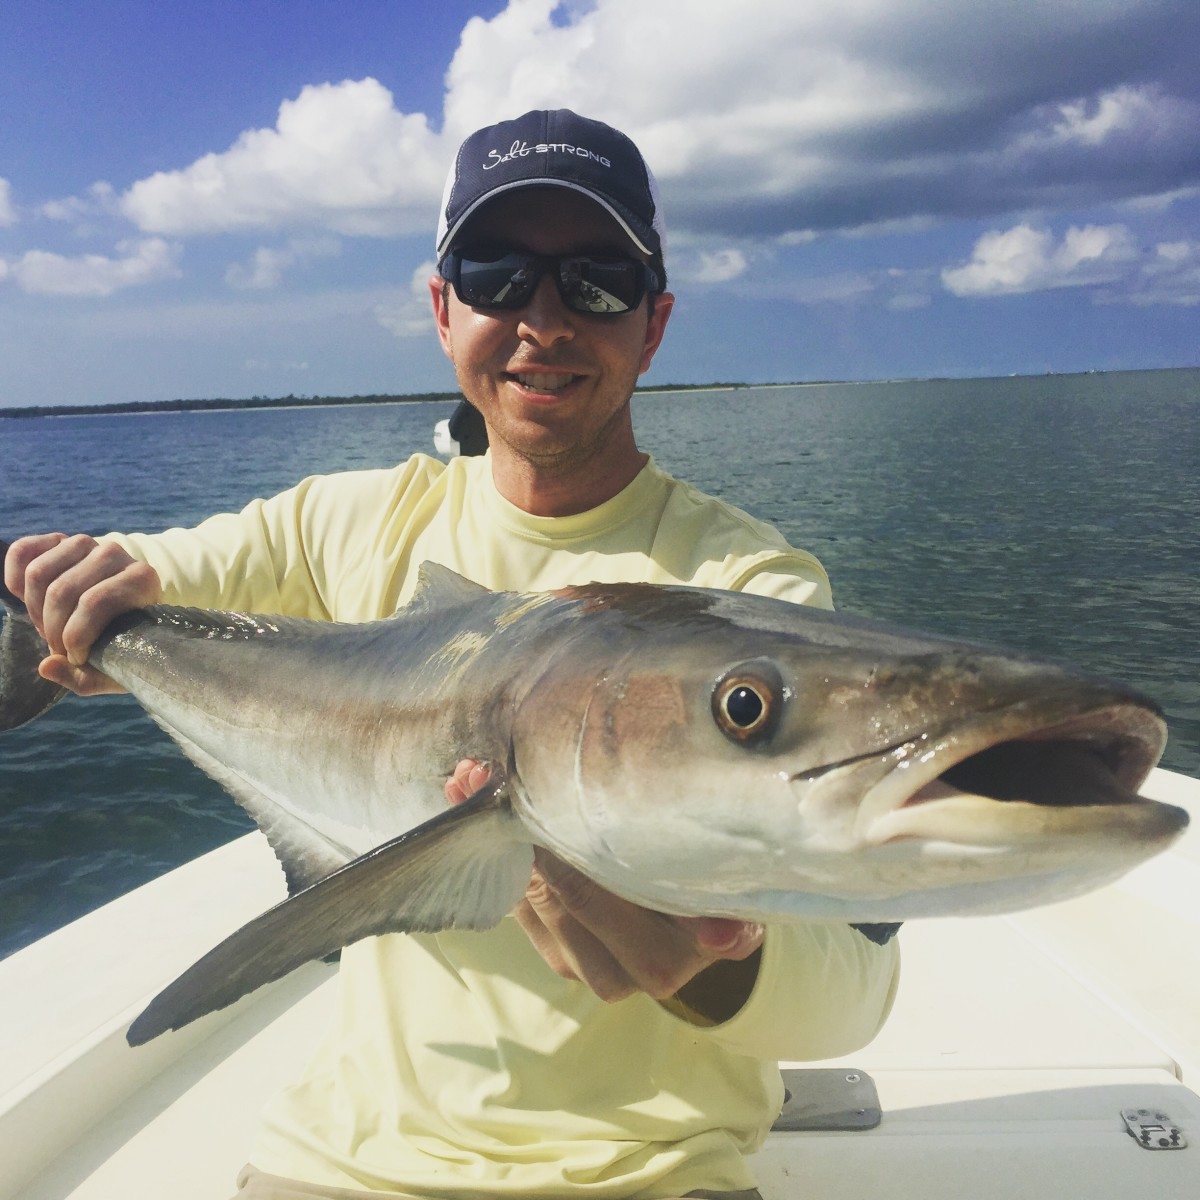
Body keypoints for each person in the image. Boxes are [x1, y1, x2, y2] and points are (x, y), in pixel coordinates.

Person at [5, 110, 899, 1200]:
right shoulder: (343, 524)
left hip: (654, 1176)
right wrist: (75, 599)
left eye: (598, 282)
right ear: (442, 309)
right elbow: (147, 582)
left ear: (654, 325)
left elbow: (856, 986)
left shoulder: (753, 603)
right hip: (344, 1164)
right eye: (496, 274)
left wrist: (721, 968)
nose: (545, 319)